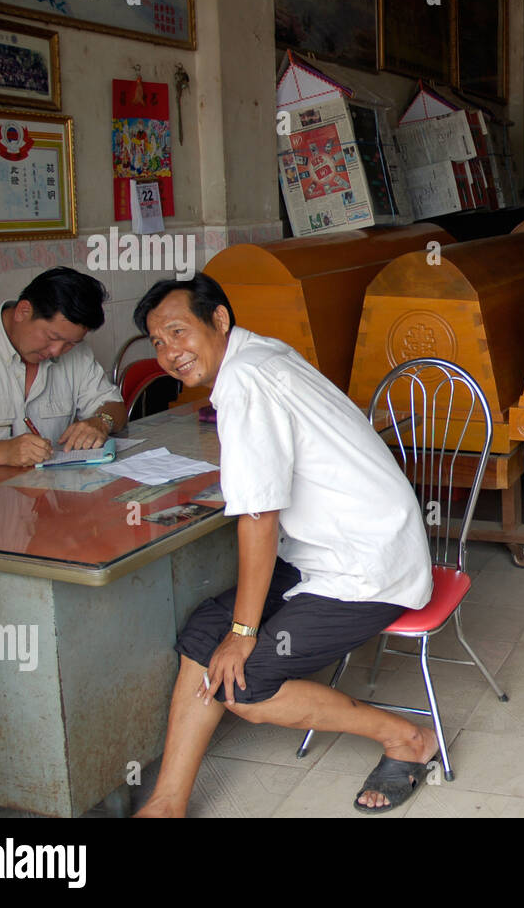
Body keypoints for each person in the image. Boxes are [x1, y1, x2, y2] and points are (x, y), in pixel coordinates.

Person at [130, 273, 436, 817]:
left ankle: (408, 739)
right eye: (157, 342)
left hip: (366, 565)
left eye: (179, 332)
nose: (170, 353)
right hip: (323, 552)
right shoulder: (258, 355)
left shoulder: (247, 378)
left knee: (246, 683)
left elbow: (259, 517)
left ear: (218, 320)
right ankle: (167, 803)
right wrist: (231, 632)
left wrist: (244, 634)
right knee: (204, 633)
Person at [0, 266, 127, 469]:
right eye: (53, 337)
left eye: (70, 343)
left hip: (51, 489)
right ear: (23, 311)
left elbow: (116, 408)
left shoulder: (74, 352)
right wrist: (4, 452)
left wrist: (101, 421)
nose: (57, 350)